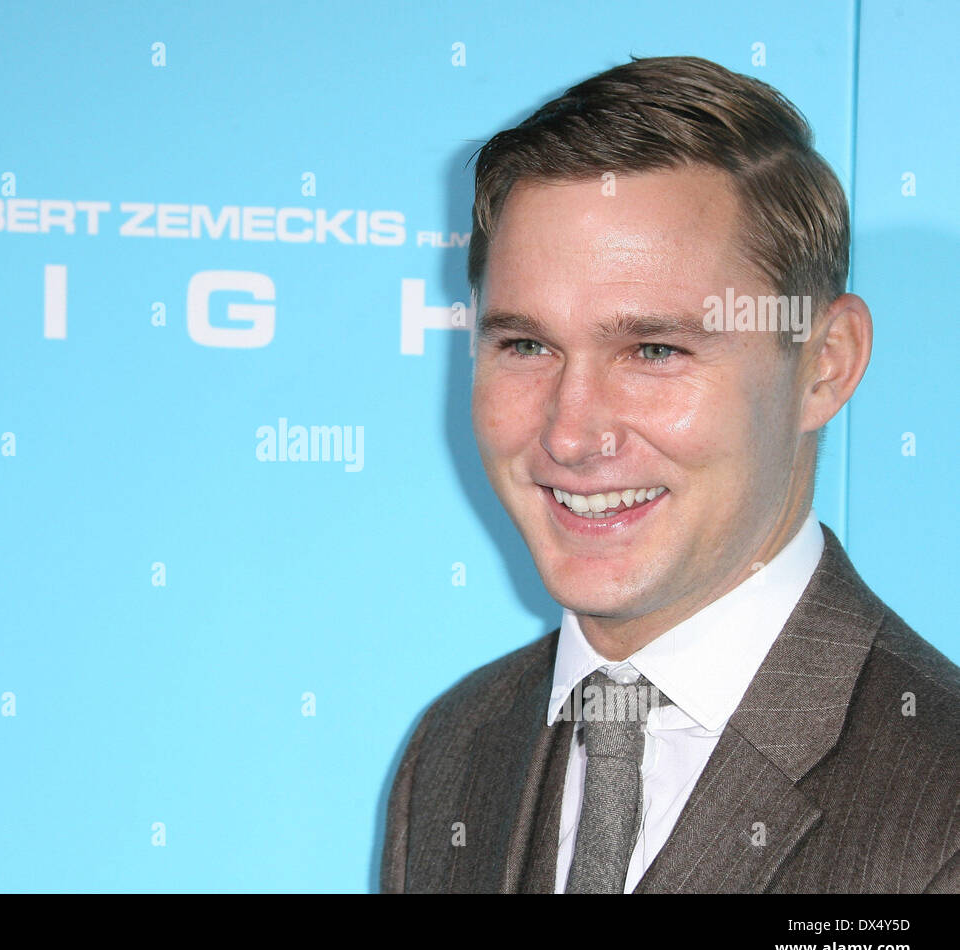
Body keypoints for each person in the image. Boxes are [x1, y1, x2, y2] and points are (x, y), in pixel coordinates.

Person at [381, 55, 960, 894]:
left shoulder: (941, 793)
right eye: (527, 345)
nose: (572, 433)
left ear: (825, 365)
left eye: (655, 349)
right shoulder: (456, 746)